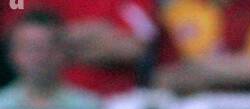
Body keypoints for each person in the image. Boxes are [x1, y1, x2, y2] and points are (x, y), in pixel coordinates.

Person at [0, 0, 160, 99]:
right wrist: (97, 35)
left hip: (114, 105)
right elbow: (18, 39)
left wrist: (57, 42)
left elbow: (135, 48)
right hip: (39, 104)